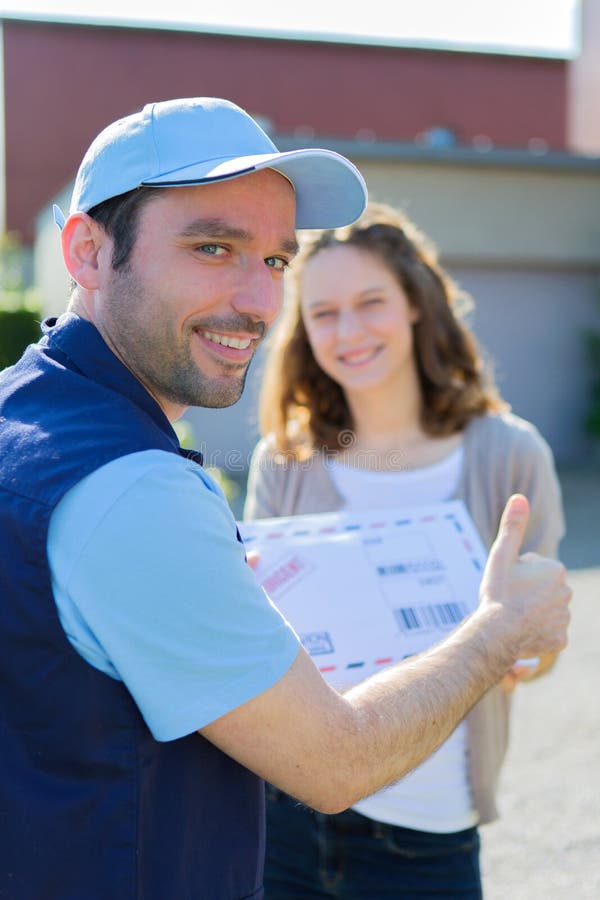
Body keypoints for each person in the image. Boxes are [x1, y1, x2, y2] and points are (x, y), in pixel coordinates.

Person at [0, 99, 570, 900]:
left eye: (274, 262)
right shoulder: (135, 485)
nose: (262, 301)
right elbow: (336, 761)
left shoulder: (21, 414)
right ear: (87, 252)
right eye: (212, 246)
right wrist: (498, 631)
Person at [244, 201, 566, 899]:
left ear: (416, 305)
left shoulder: (510, 455)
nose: (349, 331)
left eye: (371, 302)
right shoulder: (285, 461)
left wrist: (520, 654)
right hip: (286, 820)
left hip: (426, 833)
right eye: (324, 313)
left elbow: (540, 643)